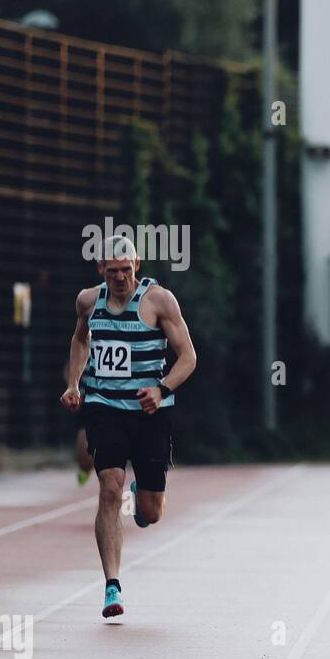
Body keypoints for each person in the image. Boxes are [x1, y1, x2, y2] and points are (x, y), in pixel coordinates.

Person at [59, 236, 197, 619]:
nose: (120, 277)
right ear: (100, 269)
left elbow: (188, 356)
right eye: (112, 270)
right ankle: (112, 586)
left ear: (137, 265)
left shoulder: (159, 302)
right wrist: (74, 383)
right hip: (104, 407)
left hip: (149, 412)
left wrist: (161, 387)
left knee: (151, 512)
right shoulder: (88, 300)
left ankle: (143, 497)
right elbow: (79, 339)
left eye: (126, 269)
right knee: (109, 487)